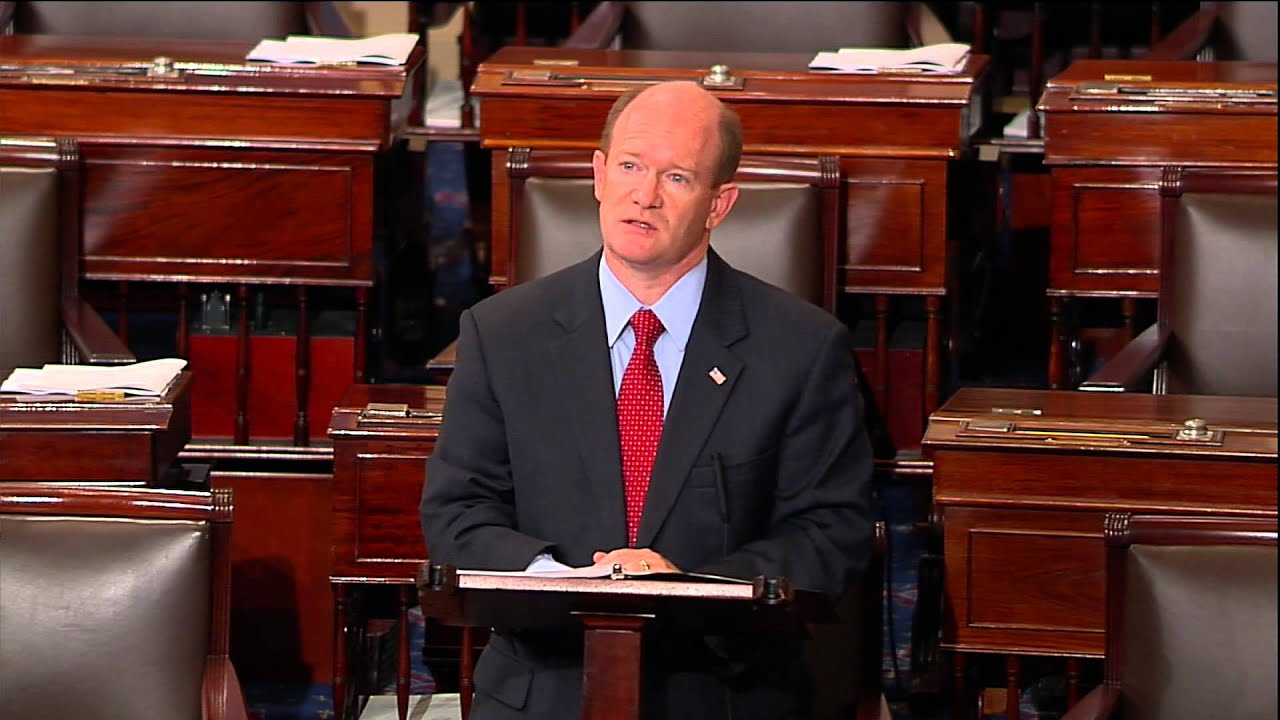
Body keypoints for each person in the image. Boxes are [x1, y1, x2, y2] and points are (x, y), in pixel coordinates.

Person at [420, 80, 874, 720]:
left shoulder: (800, 348)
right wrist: (567, 584)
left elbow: (832, 532)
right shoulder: (501, 334)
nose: (645, 195)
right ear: (599, 174)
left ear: (720, 204)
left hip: (721, 688)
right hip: (544, 685)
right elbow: (457, 514)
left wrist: (685, 585)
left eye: (678, 177)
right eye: (631, 166)